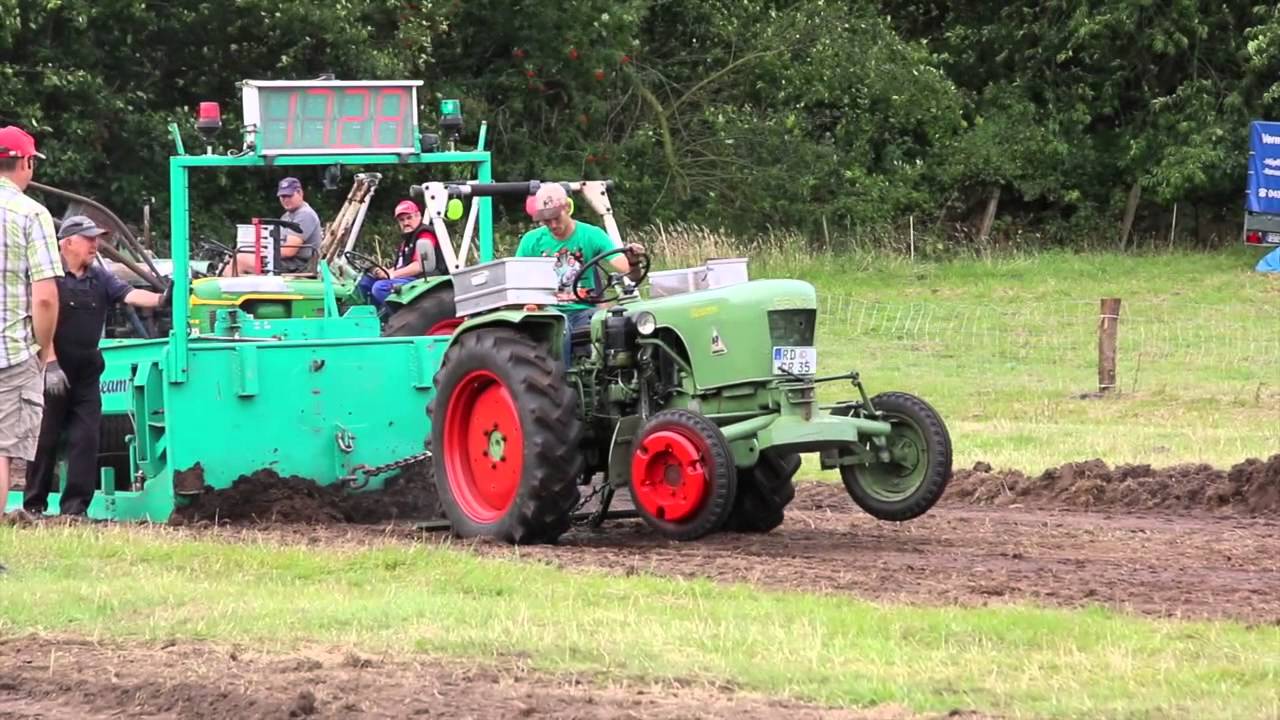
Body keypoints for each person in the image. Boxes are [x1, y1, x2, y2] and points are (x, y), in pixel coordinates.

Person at [23, 216, 170, 519]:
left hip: (87, 371)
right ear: (67, 243)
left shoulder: (100, 277)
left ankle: (75, 511)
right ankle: (32, 507)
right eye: (89, 239)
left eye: (97, 238)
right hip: (50, 369)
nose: (96, 244)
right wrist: (49, 363)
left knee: (86, 438)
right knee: (44, 438)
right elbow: (38, 318)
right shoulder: (47, 276)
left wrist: (161, 298)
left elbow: (129, 294)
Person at [0, 125, 60, 520]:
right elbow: (44, 297)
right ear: (24, 163)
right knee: (1, 450)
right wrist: (46, 351)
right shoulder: (31, 214)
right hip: (9, 352)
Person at [514, 183, 644, 360]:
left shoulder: (591, 234)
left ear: (567, 208)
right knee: (560, 325)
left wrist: (633, 262)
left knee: (613, 326)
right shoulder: (531, 241)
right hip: (549, 311)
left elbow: (628, 271)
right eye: (546, 220)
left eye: (556, 218)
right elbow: (517, 280)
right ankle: (561, 382)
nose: (552, 224)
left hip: (584, 309)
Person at [356, 199, 446, 310]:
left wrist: (391, 275)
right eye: (401, 220)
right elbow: (400, 265)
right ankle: (374, 316)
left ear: (418, 216)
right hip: (410, 277)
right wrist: (385, 271)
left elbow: (419, 266)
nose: (405, 223)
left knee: (380, 288)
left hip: (423, 279)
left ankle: (395, 317)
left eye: (409, 218)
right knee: (365, 282)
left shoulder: (424, 235)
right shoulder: (407, 240)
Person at [228, 177, 322, 275]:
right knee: (234, 257)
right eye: (282, 196)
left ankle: (225, 289)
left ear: (300, 193)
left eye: (289, 195)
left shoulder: (305, 215)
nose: (285, 199)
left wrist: (260, 253)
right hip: (283, 262)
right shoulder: (286, 216)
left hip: (296, 266)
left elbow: (289, 251)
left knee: (240, 260)